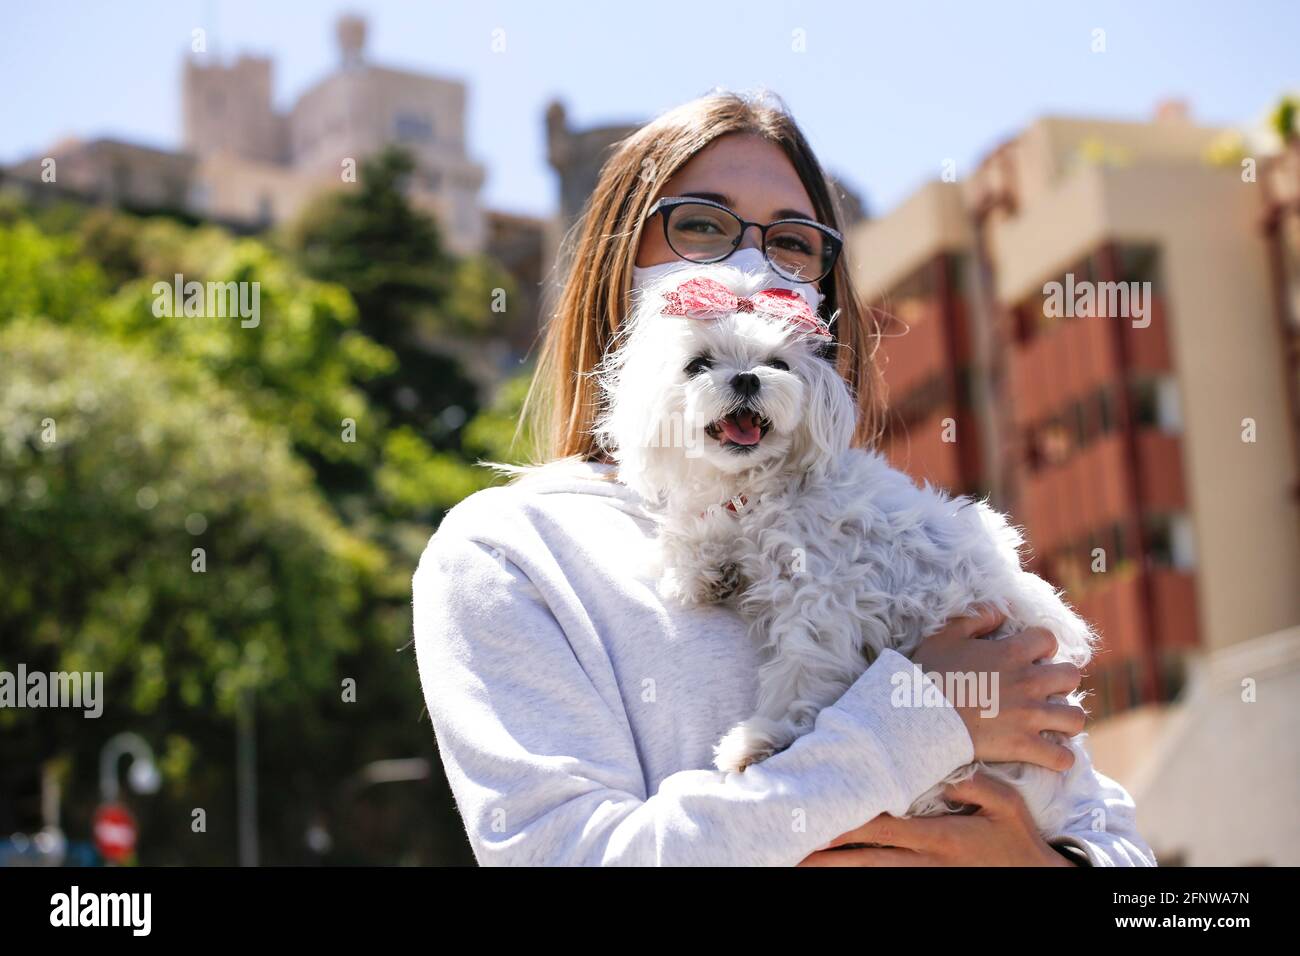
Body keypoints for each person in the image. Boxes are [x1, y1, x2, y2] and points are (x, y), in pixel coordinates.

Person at [412, 90, 1156, 867]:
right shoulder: (510, 555)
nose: (752, 262)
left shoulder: (916, 540)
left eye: (794, 242)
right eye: (700, 223)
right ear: (615, 258)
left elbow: (1114, 843)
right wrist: (921, 716)